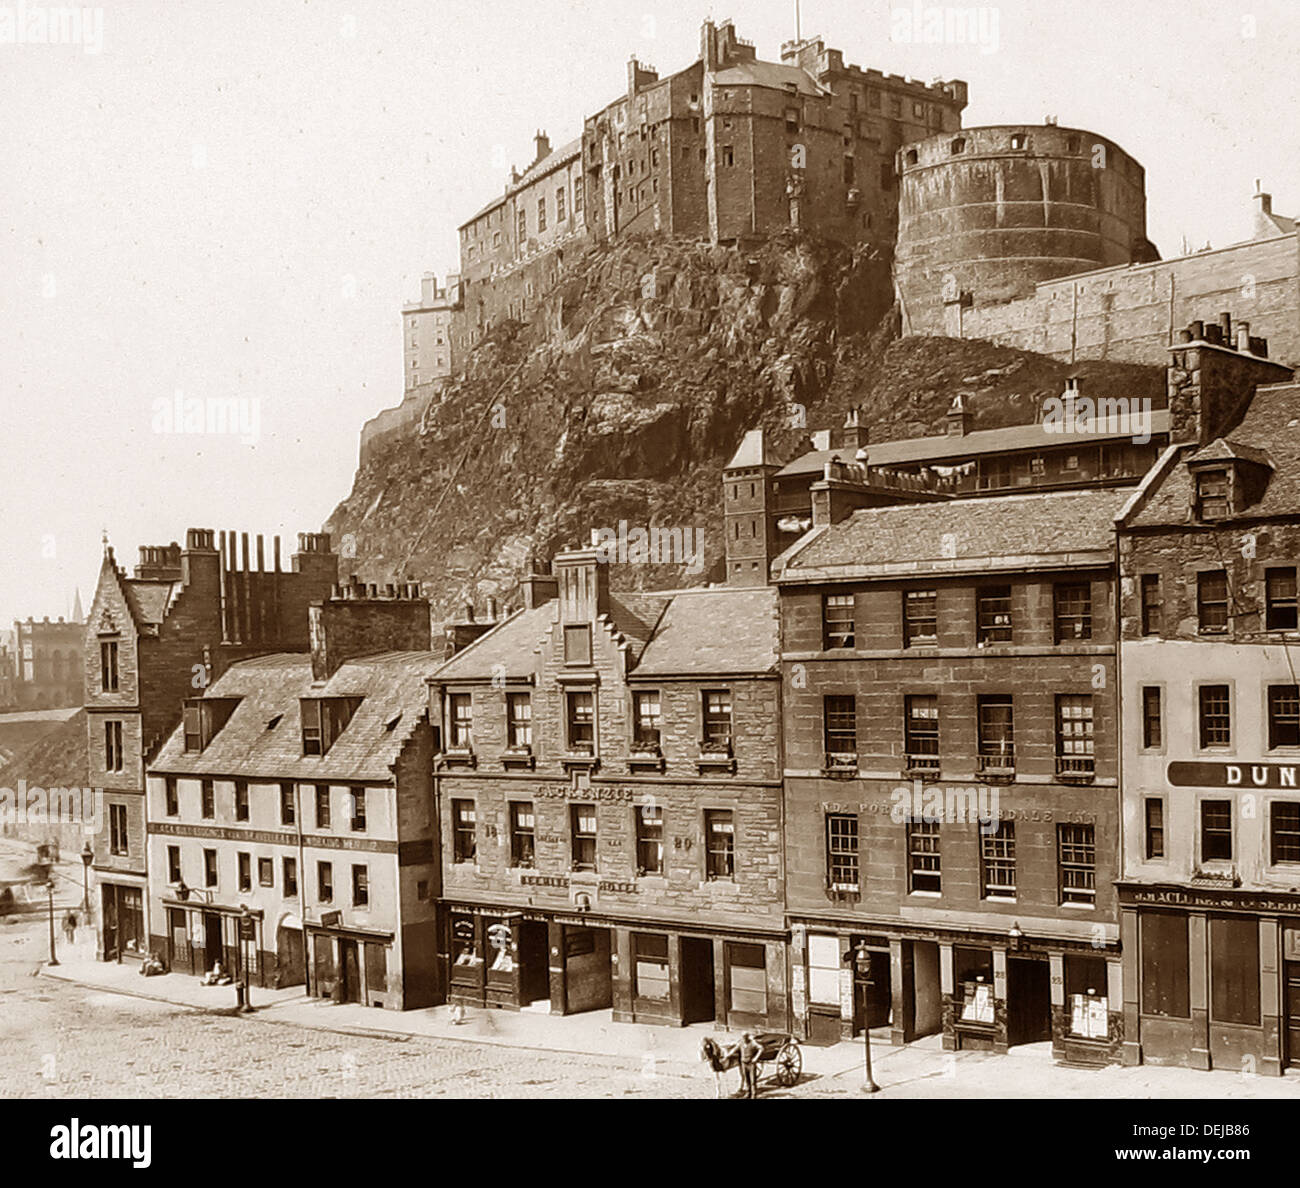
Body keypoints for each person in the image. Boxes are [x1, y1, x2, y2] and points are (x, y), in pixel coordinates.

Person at [737, 1032, 763, 1099]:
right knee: (746, 1079)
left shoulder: (753, 1043)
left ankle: (754, 1094)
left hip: (751, 1064)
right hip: (744, 1064)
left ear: (747, 1037)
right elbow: (735, 1049)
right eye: (743, 1037)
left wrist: (756, 1058)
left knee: (752, 1080)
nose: (744, 1038)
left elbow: (761, 1048)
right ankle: (748, 1093)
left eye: (745, 1037)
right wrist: (728, 1055)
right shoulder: (741, 1043)